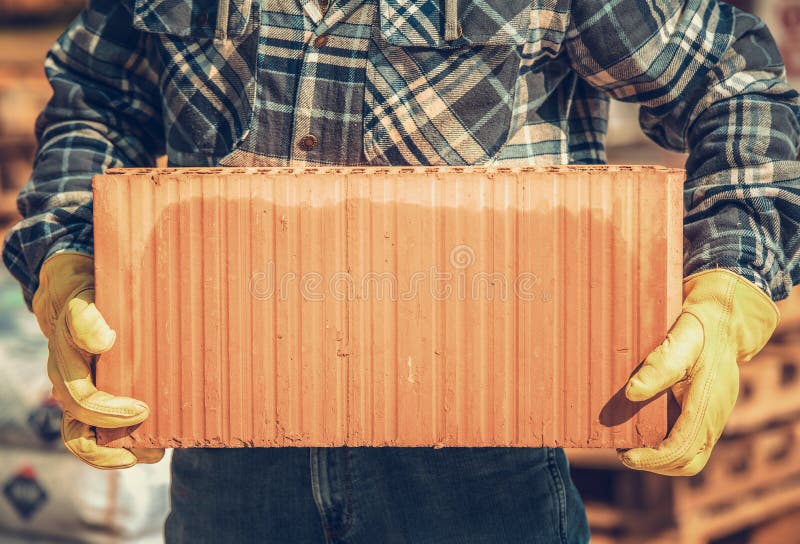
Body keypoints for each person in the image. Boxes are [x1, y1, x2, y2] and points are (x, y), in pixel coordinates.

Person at [4, 0, 799, 542]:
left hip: (483, 472)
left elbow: (732, 77)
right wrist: (69, 257)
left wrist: (731, 290)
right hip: (225, 463)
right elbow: (99, 99)